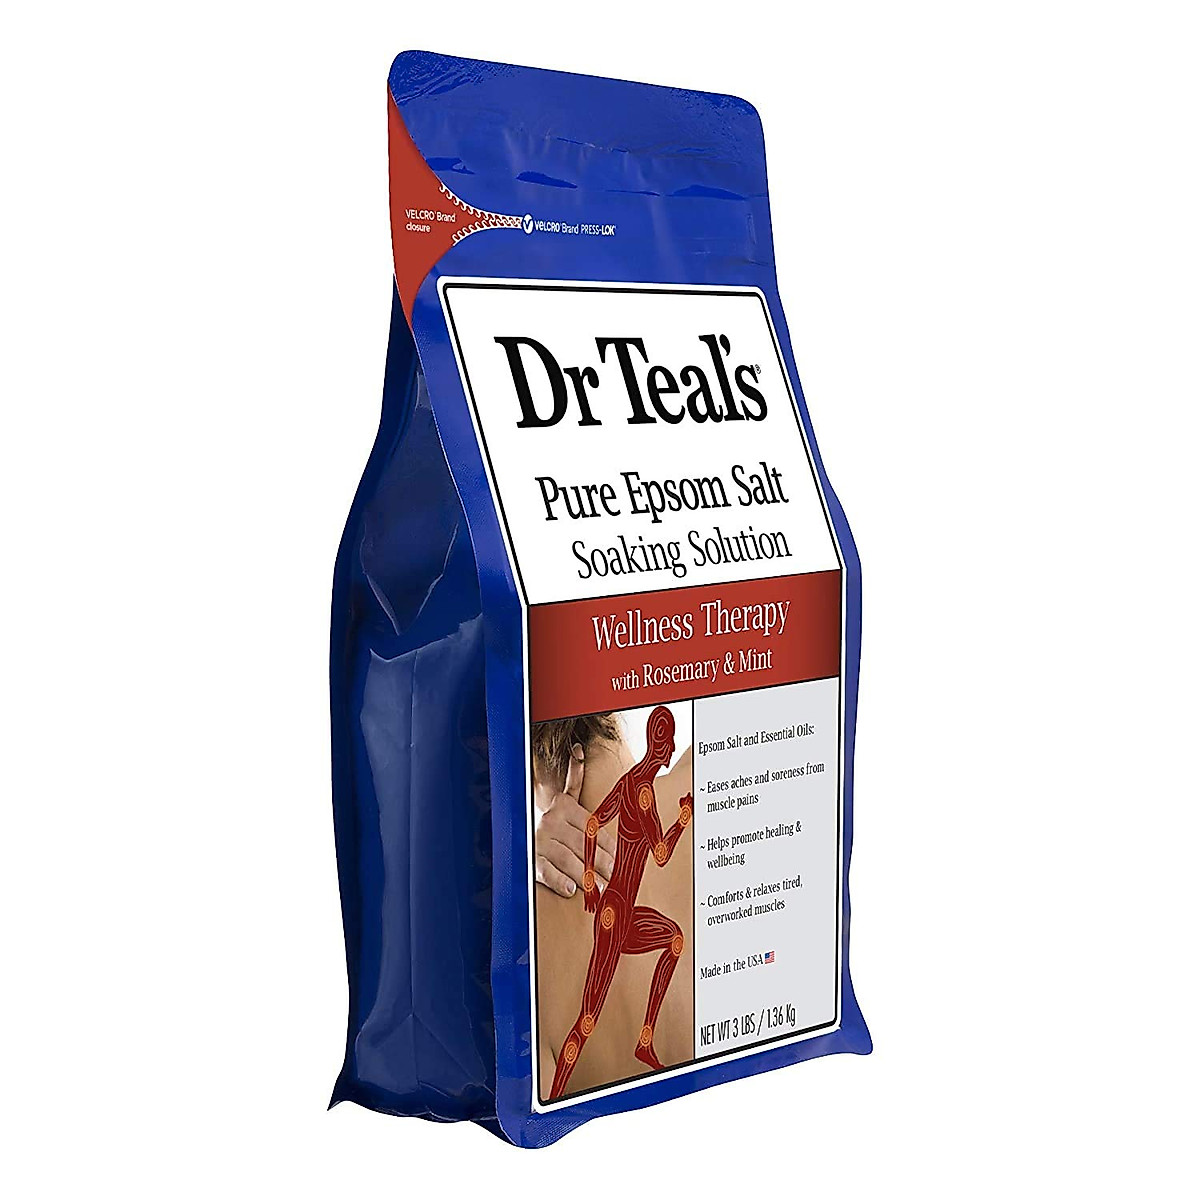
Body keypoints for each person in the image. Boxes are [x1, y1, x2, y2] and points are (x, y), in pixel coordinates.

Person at [532, 710, 694, 1100]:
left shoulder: (529, 927)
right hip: (617, 913)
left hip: (613, 913)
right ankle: (644, 1038)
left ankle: (645, 1040)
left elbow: (595, 825)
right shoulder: (710, 770)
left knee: (588, 1018)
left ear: (534, 765)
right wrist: (681, 820)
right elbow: (659, 852)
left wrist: (588, 883)